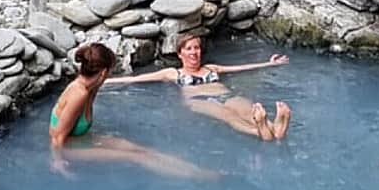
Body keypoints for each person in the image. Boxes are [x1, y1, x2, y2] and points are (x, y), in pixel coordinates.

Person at [49, 42, 216, 179]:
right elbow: (57, 137)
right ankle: (199, 178)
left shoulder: (90, 86)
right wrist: (58, 163)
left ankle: (198, 171)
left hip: (80, 139)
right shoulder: (79, 93)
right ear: (104, 72)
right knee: (135, 156)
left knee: (142, 150)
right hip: (66, 148)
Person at [105, 34, 292, 141]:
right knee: (229, 116)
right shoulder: (173, 73)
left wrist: (270, 64)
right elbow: (138, 79)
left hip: (225, 95)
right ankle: (259, 131)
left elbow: (241, 68)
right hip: (198, 101)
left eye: (197, 48)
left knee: (248, 109)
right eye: (189, 49)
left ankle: (274, 128)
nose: (194, 52)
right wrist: (103, 81)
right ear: (180, 54)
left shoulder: (211, 68)